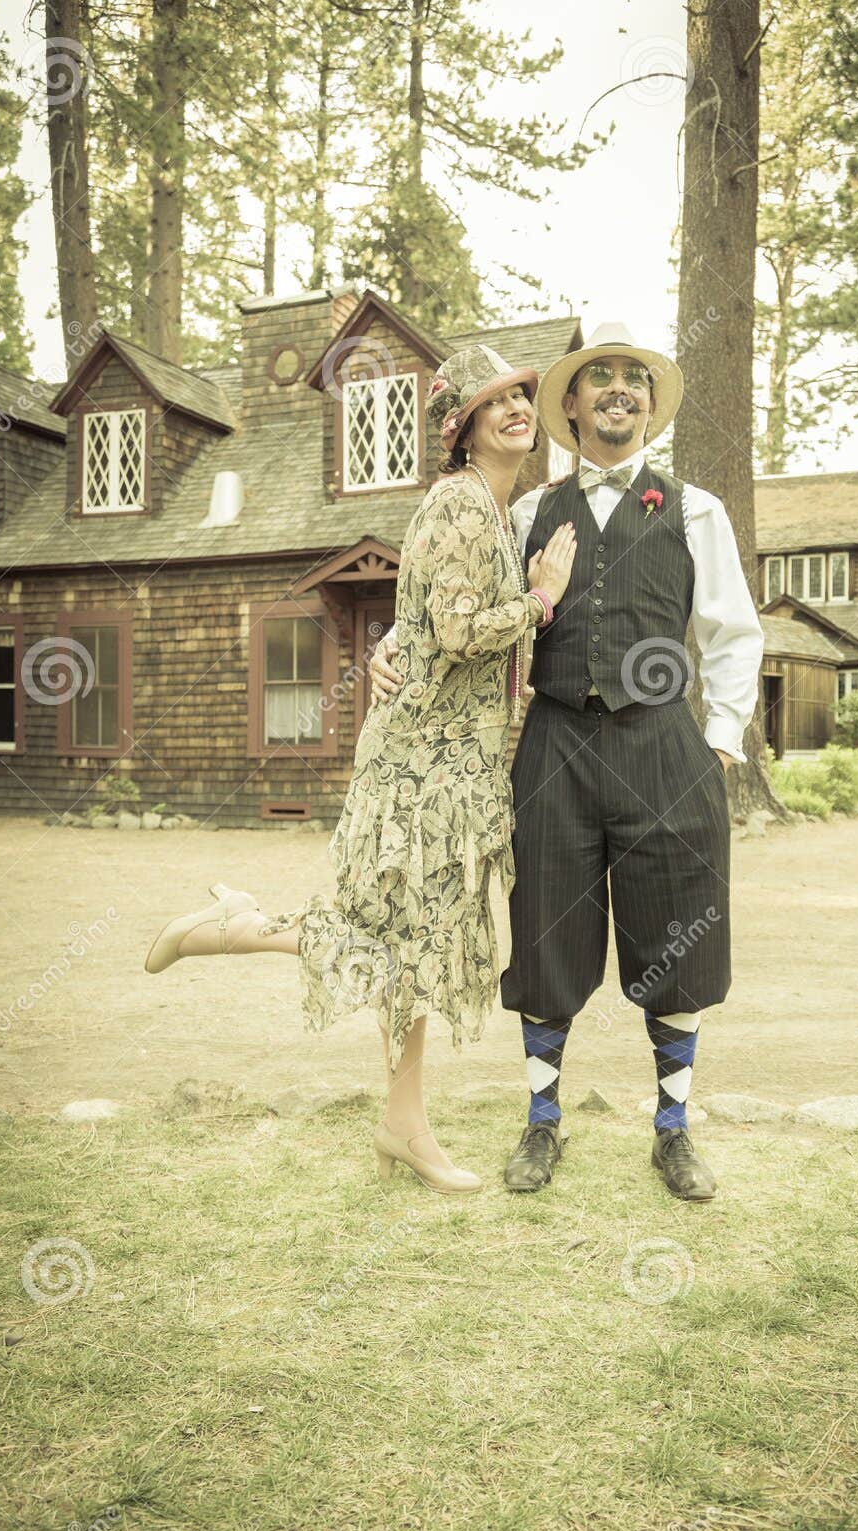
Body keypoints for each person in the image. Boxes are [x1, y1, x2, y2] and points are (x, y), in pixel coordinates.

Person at [143, 343, 576, 1195]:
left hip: (455, 766)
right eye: (495, 403)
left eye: (522, 396)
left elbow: (429, 628)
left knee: (408, 951)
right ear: (462, 430)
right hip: (421, 769)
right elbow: (458, 631)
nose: (516, 409)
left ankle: (401, 1125)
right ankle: (234, 929)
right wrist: (540, 600)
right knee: (396, 943)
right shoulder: (459, 501)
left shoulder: (495, 510)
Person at [371, 324, 764, 1202]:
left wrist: (720, 741)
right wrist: (390, 642)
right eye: (599, 378)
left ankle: (672, 1130)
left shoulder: (694, 509)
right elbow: (454, 593)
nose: (618, 388)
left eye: (634, 378)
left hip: (663, 745)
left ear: (649, 406)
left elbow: (732, 633)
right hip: (553, 747)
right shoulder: (524, 514)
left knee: (676, 939)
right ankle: (542, 1121)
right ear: (573, 406)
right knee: (547, 938)